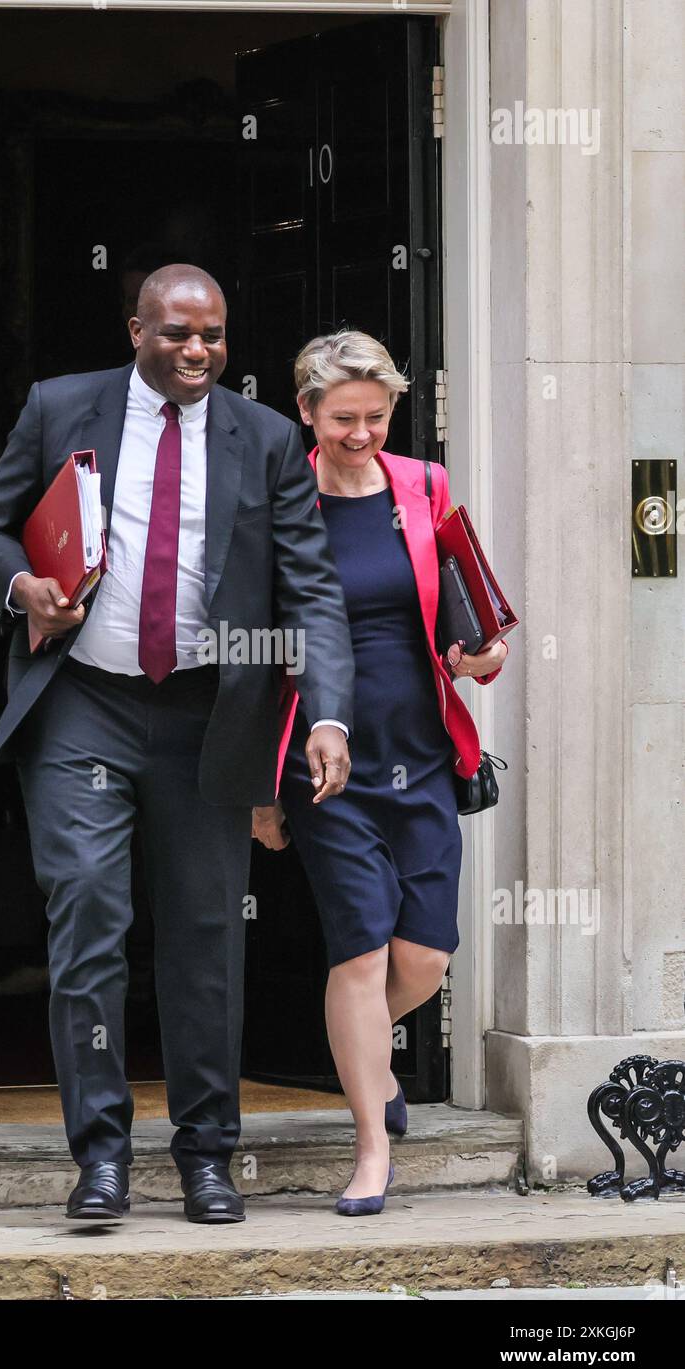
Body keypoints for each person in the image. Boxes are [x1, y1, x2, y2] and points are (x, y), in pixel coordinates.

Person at [0, 266, 355, 1224]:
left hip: (206, 717)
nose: (197, 352)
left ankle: (206, 1157)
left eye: (214, 336)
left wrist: (327, 715)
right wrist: (21, 591)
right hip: (81, 705)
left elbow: (310, 590)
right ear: (135, 327)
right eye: (178, 333)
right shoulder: (60, 408)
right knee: (88, 921)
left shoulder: (264, 439)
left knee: (205, 943)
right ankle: (98, 1159)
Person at [252, 329, 508, 1216]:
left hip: (422, 754)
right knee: (359, 950)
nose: (361, 433)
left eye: (376, 415)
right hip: (325, 764)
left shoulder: (423, 488)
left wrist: (478, 658)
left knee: (425, 959)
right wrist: (259, 788)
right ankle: (370, 1150)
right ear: (307, 413)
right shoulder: (283, 502)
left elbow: (459, 614)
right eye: (342, 418)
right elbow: (257, 652)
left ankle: (363, 1052)